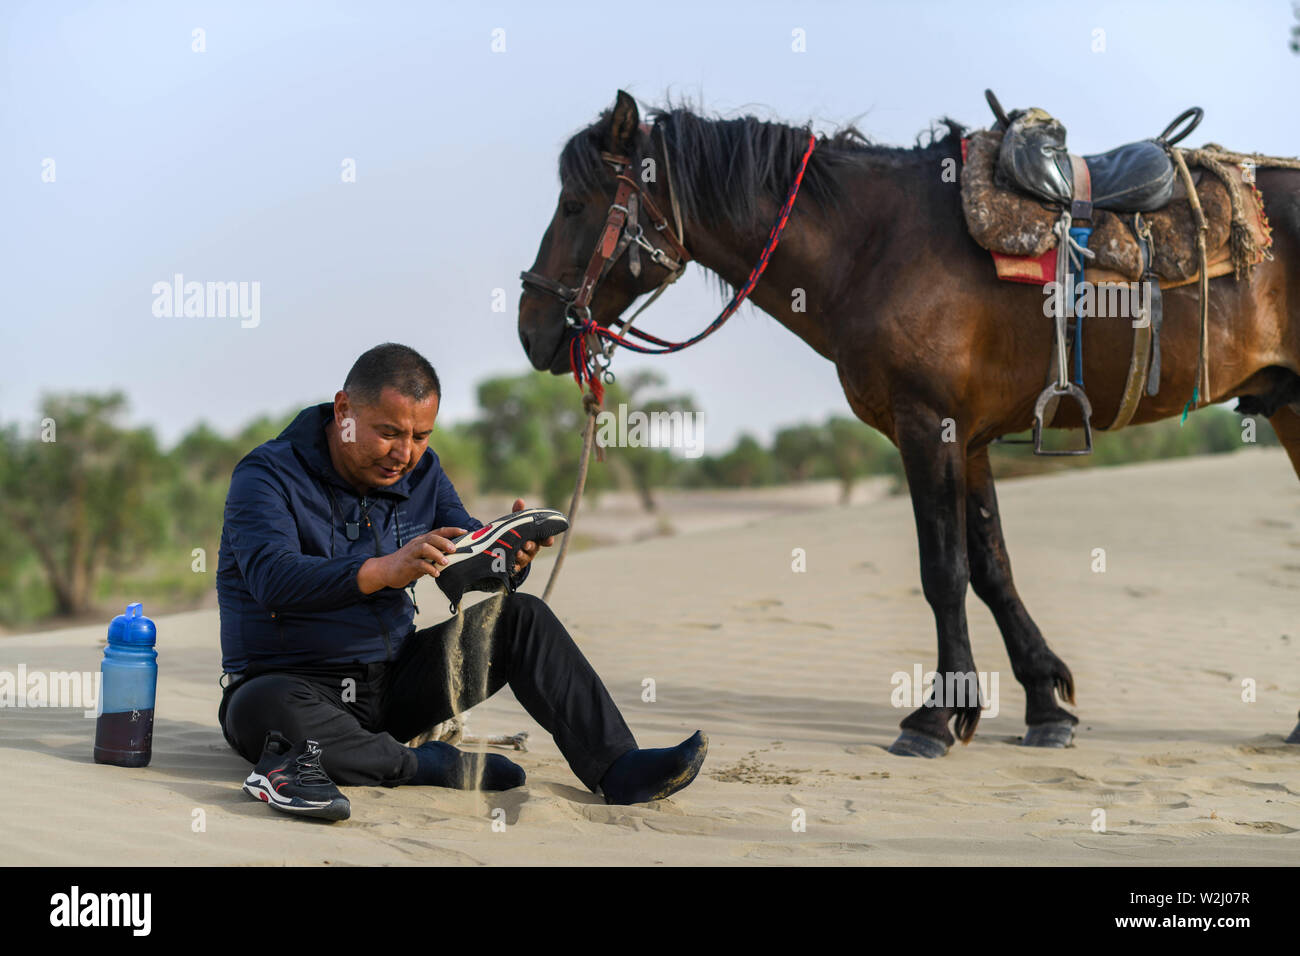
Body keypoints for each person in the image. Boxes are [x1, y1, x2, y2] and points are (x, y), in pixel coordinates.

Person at [215, 343, 707, 808]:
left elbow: (463, 554)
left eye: (420, 435)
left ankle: (618, 766)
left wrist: (508, 555)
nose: (404, 453)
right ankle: (427, 765)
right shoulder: (266, 475)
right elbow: (272, 579)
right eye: (389, 432)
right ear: (344, 410)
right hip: (294, 687)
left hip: (394, 685)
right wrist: (384, 570)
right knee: (261, 707)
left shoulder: (421, 472)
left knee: (522, 618)